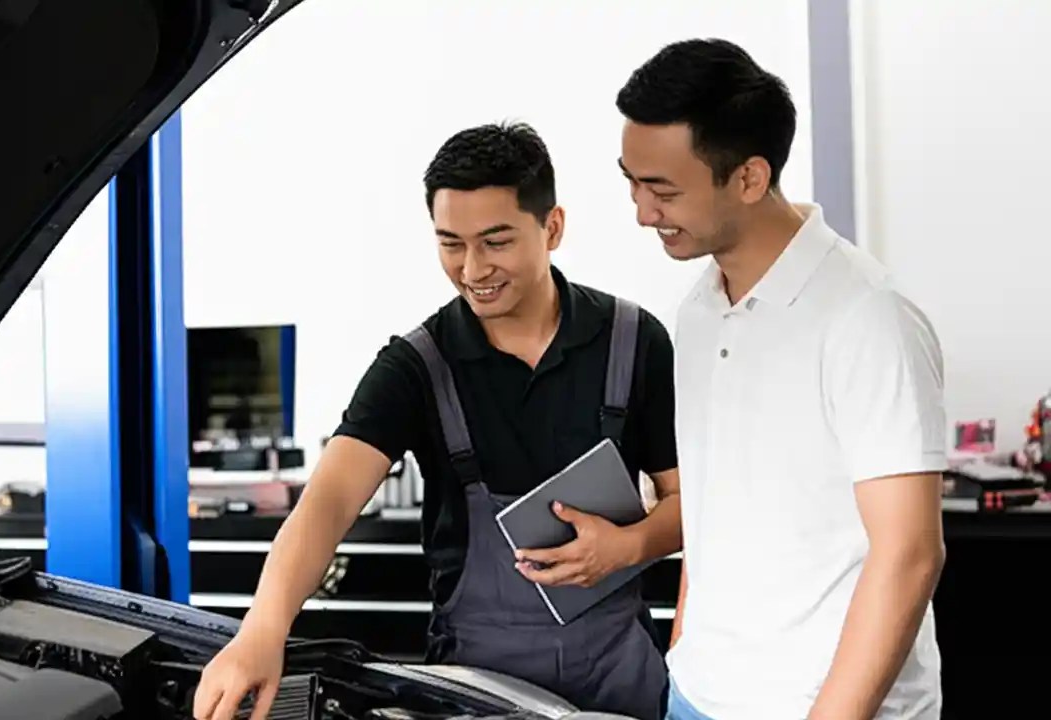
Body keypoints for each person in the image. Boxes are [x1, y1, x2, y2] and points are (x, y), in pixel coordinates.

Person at [192, 121, 683, 720]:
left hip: (620, 677)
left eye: (496, 242)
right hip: (476, 684)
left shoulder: (635, 343)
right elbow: (327, 503)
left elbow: (692, 503)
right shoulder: (418, 366)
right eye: (451, 243)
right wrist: (262, 631)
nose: (473, 269)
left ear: (552, 227)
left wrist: (630, 544)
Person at [614, 39, 947, 720]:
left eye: (663, 190)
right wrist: (685, 657)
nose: (643, 211)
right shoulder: (699, 312)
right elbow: (712, 512)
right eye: (632, 182)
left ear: (750, 177)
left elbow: (910, 553)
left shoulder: (867, 317)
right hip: (699, 694)